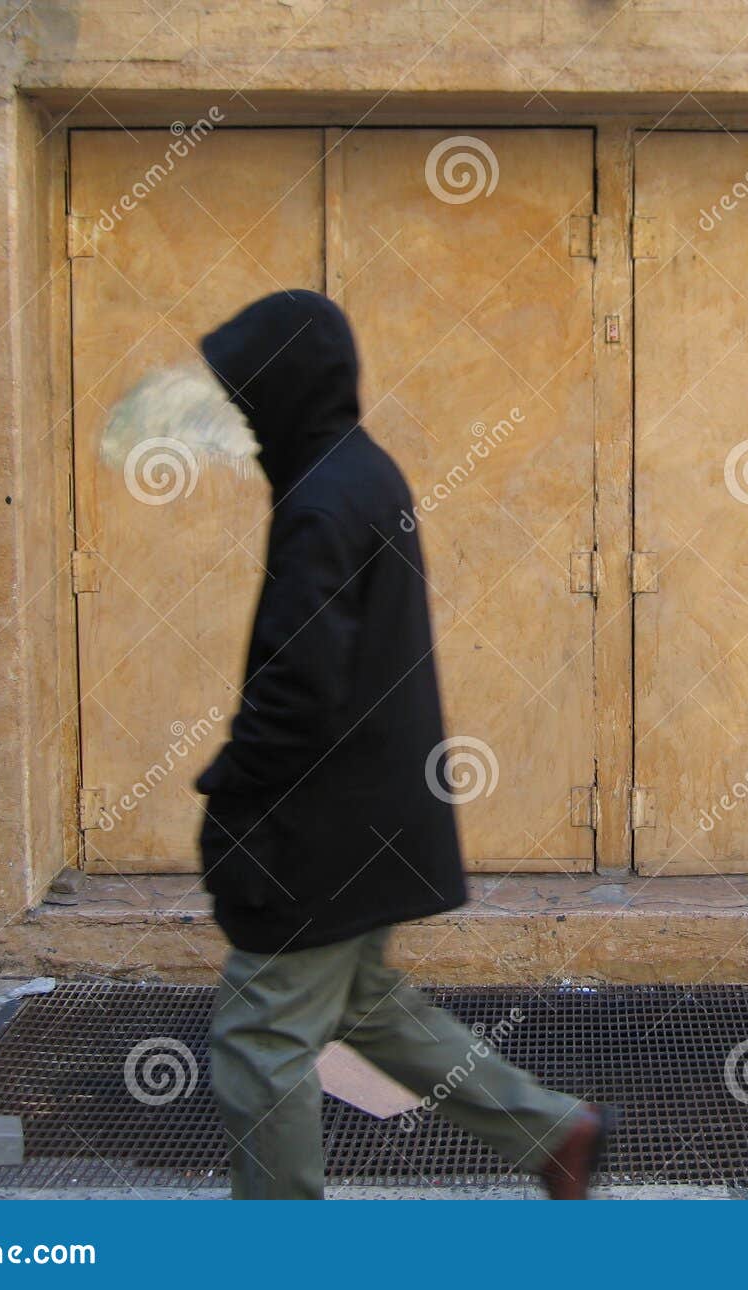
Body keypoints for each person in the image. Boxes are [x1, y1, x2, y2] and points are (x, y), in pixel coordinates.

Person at [193, 290, 610, 1200]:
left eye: (246, 391)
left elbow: (299, 686)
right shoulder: (363, 474)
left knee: (261, 1042)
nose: (240, 414)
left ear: (283, 388)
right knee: (364, 1004)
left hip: (314, 832)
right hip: (367, 822)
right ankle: (551, 1131)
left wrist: (233, 794)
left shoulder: (319, 502)